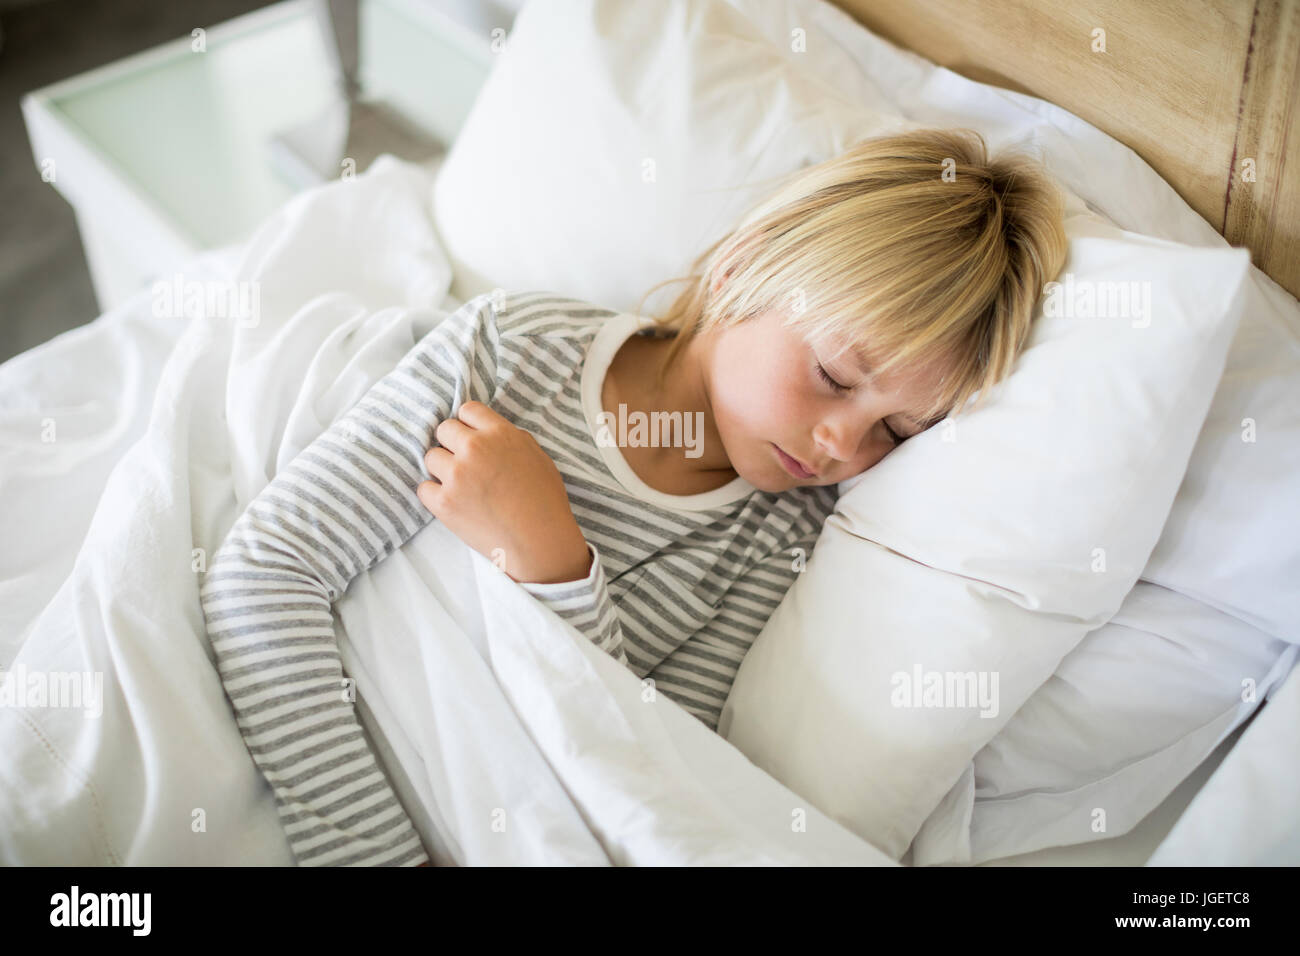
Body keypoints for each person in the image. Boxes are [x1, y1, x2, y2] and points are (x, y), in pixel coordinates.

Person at [198, 127, 1068, 866]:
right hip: (294, 756)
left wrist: (552, 567)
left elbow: (646, 755)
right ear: (743, 269)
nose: (844, 446)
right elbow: (265, 573)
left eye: (897, 432)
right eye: (835, 376)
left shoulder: (784, 536)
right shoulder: (518, 356)